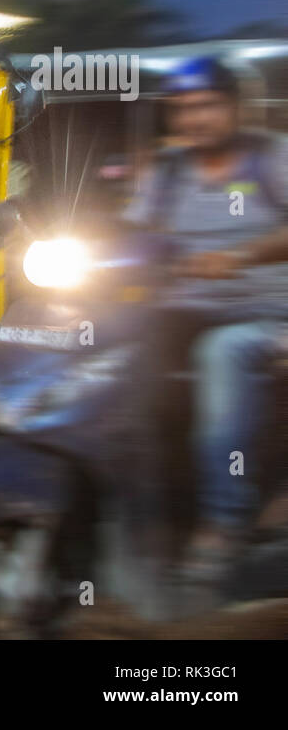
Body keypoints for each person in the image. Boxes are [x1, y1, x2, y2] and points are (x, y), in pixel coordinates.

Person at [124, 57, 288, 583]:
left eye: (208, 105)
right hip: (186, 309)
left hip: (267, 313)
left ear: (234, 107)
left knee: (220, 353)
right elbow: (131, 233)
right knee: (115, 345)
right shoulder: (167, 172)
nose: (195, 119)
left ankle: (226, 518)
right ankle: (141, 505)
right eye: (184, 109)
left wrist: (239, 257)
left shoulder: (270, 158)